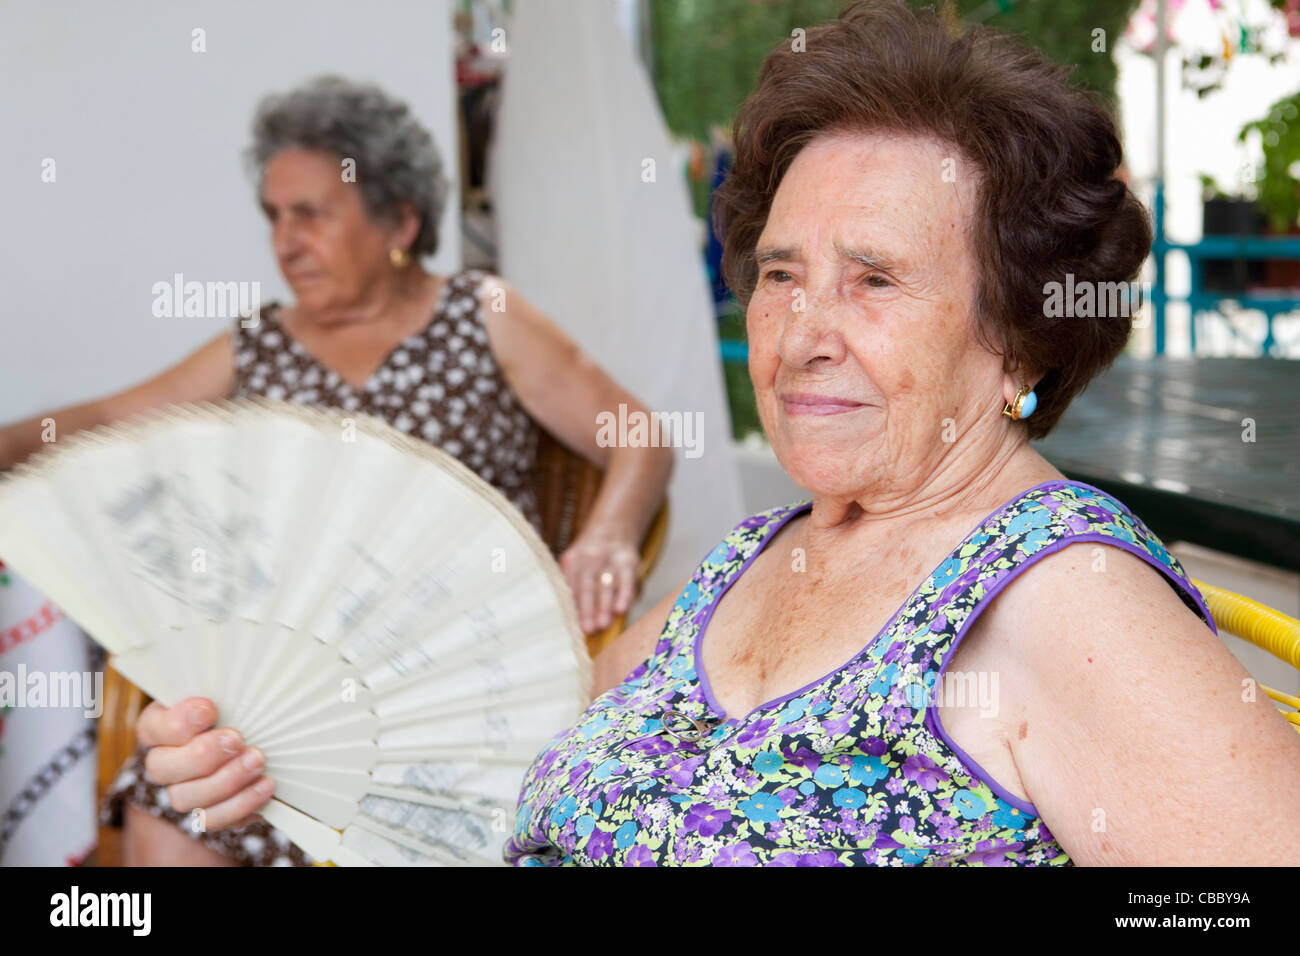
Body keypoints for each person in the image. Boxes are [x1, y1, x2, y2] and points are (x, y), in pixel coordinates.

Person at [504, 0, 1300, 865]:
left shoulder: (1067, 598)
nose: (802, 335)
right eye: (780, 274)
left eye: (874, 280)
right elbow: (556, 723)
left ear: (1018, 344)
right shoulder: (756, 558)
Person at [0, 75, 672, 865]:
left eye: (311, 213)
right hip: (282, 707)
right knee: (168, 806)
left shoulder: (479, 316)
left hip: (451, 695)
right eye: (275, 216)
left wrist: (609, 535)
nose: (285, 240)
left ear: (401, 219)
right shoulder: (258, 343)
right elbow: (112, 424)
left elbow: (637, 433)